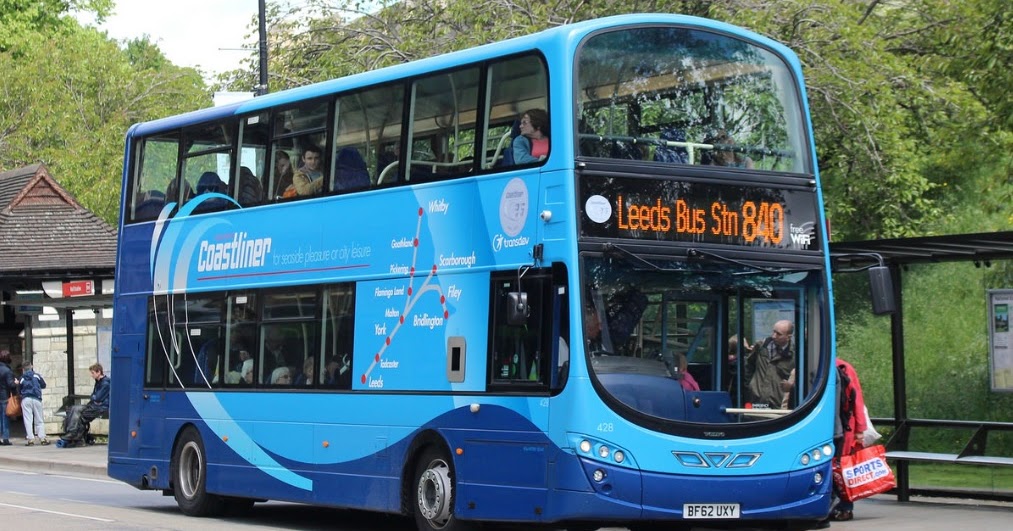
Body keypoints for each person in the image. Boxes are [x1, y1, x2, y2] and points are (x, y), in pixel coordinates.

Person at [829, 357, 869, 522]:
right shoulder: (843, 366)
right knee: (839, 468)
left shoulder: (842, 367)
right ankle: (841, 506)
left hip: (843, 427)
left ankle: (844, 506)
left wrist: (860, 428)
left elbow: (856, 399)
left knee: (841, 468)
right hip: (842, 425)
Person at [743, 320, 796, 409]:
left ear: (788, 337)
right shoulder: (761, 346)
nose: (774, 336)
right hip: (756, 400)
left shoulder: (794, 355)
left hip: (777, 404)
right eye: (773, 331)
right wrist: (750, 386)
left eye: (778, 334)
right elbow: (749, 366)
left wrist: (791, 387)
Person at [62, 363, 111, 445]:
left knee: (80, 416)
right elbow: (94, 396)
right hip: (95, 405)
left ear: (99, 372)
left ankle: (74, 435)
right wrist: (94, 397)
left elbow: (97, 398)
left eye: (93, 373)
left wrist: (94, 397)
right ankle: (73, 434)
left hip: (101, 407)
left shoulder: (105, 383)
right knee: (73, 409)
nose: (91, 375)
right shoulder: (98, 382)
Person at [17, 362, 48, 445]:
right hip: (36, 398)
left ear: (23, 369)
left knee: (28, 419)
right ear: (31, 367)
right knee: (39, 419)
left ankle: (30, 439)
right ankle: (42, 438)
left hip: (26, 399)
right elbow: (44, 385)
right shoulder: (36, 376)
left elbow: (19, 390)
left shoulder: (22, 378)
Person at [0, 349, 15, 446]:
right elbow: (11, 385)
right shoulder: (7, 371)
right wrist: (16, 383)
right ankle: (5, 438)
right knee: (5, 418)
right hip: (4, 396)